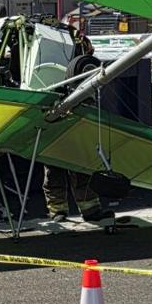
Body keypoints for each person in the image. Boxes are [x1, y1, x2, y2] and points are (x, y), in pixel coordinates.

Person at [42, 36, 114, 227]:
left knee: (81, 166)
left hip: (76, 120)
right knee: (54, 167)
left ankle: (89, 209)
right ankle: (58, 211)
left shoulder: (79, 60)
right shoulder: (47, 64)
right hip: (54, 119)